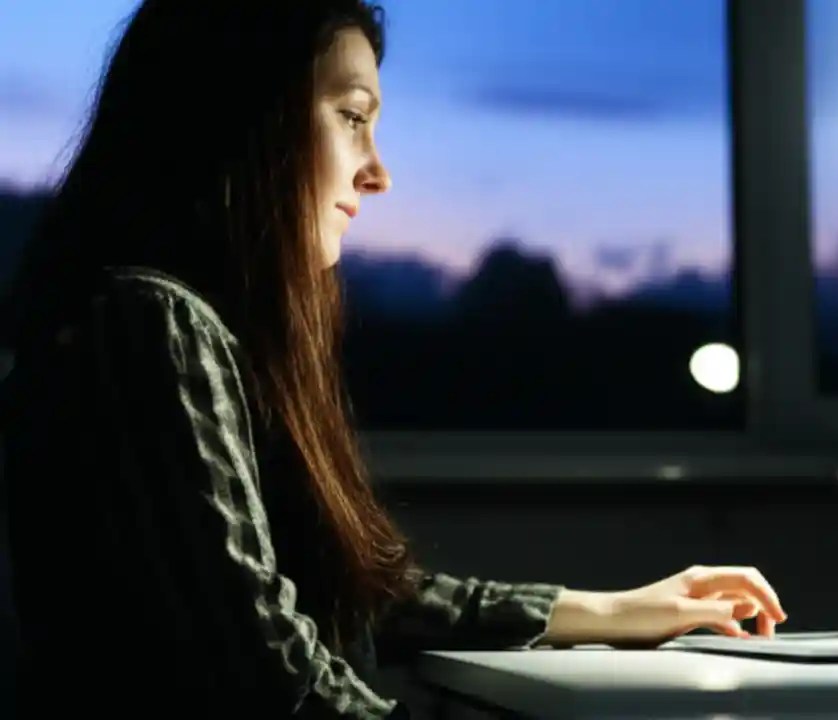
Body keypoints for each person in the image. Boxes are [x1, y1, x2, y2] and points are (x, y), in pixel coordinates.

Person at [0, 1, 786, 716]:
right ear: (243, 120)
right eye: (352, 117)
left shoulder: (186, 328)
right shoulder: (153, 324)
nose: (377, 173)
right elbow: (265, 669)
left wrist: (612, 610)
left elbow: (348, 593)